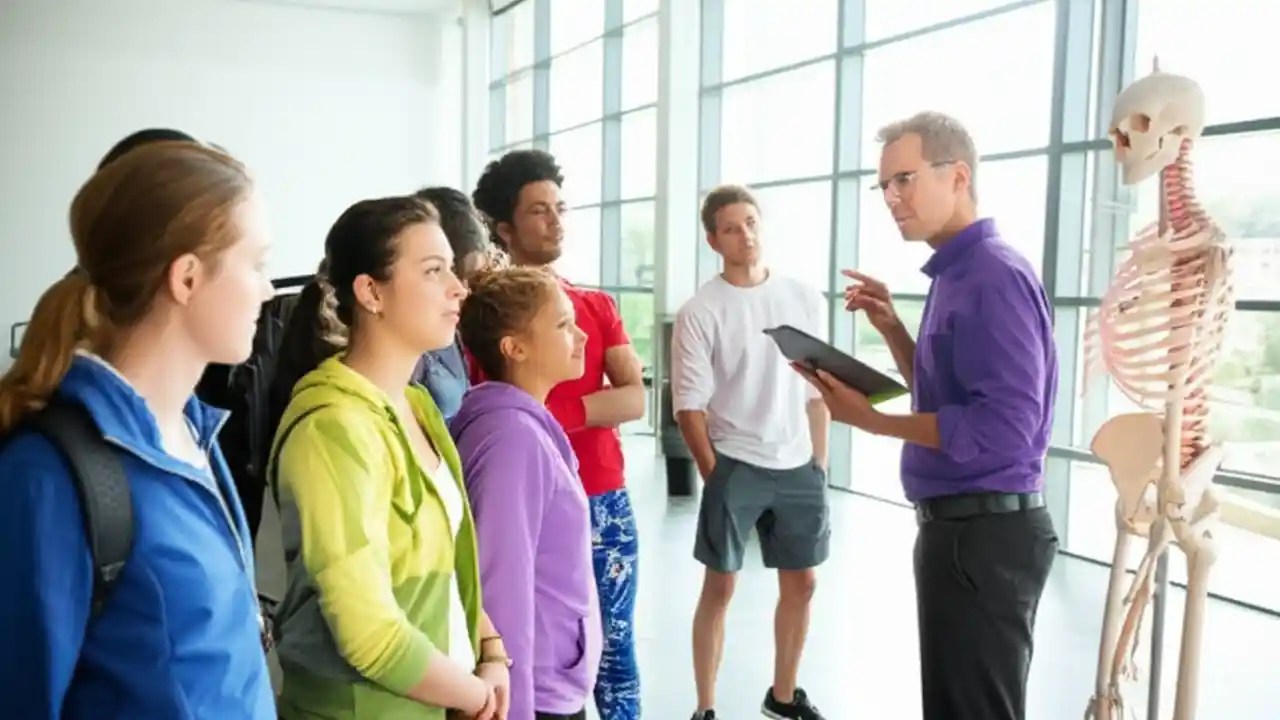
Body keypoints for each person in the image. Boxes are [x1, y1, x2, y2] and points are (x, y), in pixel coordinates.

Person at [0, 141, 277, 718]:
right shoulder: (47, 475)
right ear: (187, 278)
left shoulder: (195, 435)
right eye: (257, 264)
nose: (268, 290)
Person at [797, 111, 1059, 720]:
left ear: (958, 175)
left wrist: (872, 422)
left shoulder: (993, 275)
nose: (891, 198)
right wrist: (892, 328)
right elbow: (944, 397)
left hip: (985, 536)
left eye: (905, 179)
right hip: (958, 530)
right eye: (883, 185)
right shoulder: (955, 274)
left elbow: (1002, 428)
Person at [267, 196, 511, 719]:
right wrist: (476, 697)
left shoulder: (416, 404)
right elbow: (367, 631)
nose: (457, 287)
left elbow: (446, 562)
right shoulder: (332, 428)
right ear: (371, 292)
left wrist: (491, 651)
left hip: (430, 700)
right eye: (432, 271)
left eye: (451, 267)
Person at [472, 149, 645, 720]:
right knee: (529, 624)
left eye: (561, 209)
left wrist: (546, 408)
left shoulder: (594, 304)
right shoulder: (486, 317)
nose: (556, 222)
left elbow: (635, 396)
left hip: (599, 492)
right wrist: (540, 412)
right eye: (540, 211)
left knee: (613, 646)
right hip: (530, 494)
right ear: (504, 226)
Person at [670, 184, 831, 720]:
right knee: (720, 586)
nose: (747, 236)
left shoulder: (804, 297)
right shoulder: (701, 310)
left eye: (752, 223)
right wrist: (715, 476)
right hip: (735, 462)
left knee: (803, 584)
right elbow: (688, 406)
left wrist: (820, 461)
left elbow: (817, 388)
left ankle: (782, 698)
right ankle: (706, 708)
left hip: (799, 462)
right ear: (713, 239)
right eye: (733, 228)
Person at [450, 266, 602, 720]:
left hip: (550, 682)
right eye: (562, 325)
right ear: (514, 348)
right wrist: (514, 709)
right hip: (534, 694)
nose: (581, 337)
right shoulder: (511, 439)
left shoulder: (523, 425)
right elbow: (499, 585)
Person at [409, 186, 493, 420]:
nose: (462, 291)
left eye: (472, 278)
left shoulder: (449, 329)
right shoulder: (404, 349)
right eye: (442, 272)